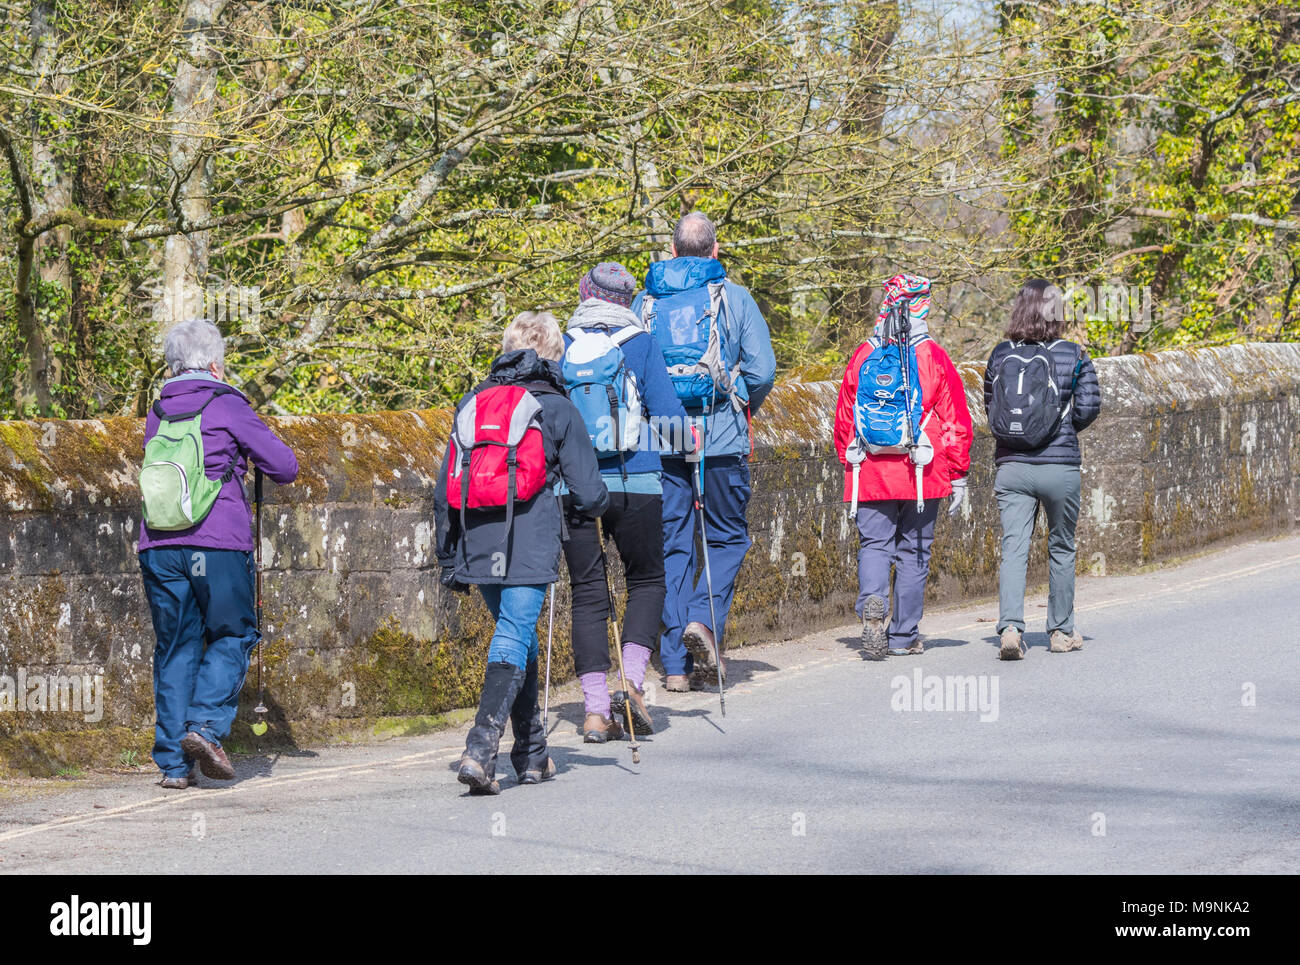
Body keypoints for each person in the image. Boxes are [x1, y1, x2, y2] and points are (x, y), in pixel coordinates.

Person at [435, 311, 608, 794]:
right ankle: (479, 746)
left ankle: (531, 753)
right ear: (555, 354)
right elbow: (591, 495)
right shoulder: (557, 406)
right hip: (529, 538)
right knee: (515, 632)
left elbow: (443, 485)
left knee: (518, 635)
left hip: (476, 536)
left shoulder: (473, 401)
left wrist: (447, 555)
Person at [138, 320, 299, 789]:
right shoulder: (227, 403)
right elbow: (285, 467)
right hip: (217, 542)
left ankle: (172, 765)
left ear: (172, 365)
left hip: (160, 544)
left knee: (175, 647)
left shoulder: (158, 409)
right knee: (232, 634)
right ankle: (205, 728)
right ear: (214, 363)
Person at [631, 212, 776, 693]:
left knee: (673, 543)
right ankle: (703, 620)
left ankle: (673, 665)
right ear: (716, 251)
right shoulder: (732, 298)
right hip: (720, 435)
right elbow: (762, 371)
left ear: (672, 251)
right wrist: (736, 405)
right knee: (727, 539)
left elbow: (632, 373)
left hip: (664, 434)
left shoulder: (645, 301)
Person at [559, 262, 692, 742]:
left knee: (588, 593)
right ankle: (633, 685)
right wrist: (691, 446)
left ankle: (595, 712)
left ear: (584, 292)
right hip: (637, 481)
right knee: (649, 579)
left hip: (577, 487)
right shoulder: (641, 343)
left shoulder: (563, 346)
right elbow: (671, 418)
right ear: (629, 302)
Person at [833, 274, 973, 659]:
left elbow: (845, 417)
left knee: (875, 544)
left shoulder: (864, 352)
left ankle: (872, 606)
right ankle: (902, 636)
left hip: (871, 469)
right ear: (922, 306)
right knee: (914, 552)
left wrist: (849, 460)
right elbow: (955, 420)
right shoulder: (934, 356)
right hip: (922, 469)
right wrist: (958, 473)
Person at [984, 280, 1101, 660]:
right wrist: (1062, 431)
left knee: (1014, 547)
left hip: (1013, 467)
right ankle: (1061, 632)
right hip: (1060, 466)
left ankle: (1012, 628)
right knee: (1062, 547)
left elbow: (992, 409)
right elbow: (1088, 407)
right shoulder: (1074, 354)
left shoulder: (1001, 355)